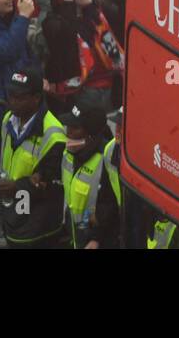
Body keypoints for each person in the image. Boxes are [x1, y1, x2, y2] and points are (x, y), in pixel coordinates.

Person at [0, 69, 66, 248]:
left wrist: (18, 187)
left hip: (40, 229)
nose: (12, 101)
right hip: (14, 220)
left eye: (19, 97)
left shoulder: (54, 135)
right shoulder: (8, 120)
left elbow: (52, 184)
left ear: (36, 98)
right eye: (10, 95)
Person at [59, 96, 120, 249]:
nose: (69, 132)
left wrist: (96, 238)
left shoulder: (107, 161)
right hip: (75, 237)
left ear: (91, 134)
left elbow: (110, 206)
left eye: (75, 128)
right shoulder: (68, 152)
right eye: (69, 126)